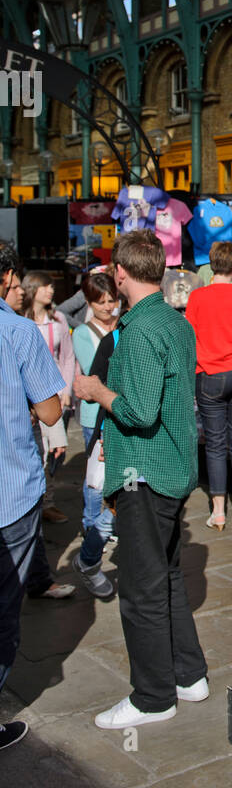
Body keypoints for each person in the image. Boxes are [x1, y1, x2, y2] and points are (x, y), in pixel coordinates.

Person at [74, 230, 208, 730]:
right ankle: (189, 676)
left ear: (121, 273)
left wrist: (96, 390)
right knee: (167, 576)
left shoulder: (141, 330)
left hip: (145, 474)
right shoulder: (175, 322)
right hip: (170, 469)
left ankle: (153, 696)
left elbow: (138, 411)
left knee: (141, 590)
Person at [0, 241, 67, 749]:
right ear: (5, 278)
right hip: (11, 493)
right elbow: (48, 412)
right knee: (4, 609)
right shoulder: (18, 332)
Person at [184, 240, 232, 531]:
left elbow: (190, 338)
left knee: (214, 446)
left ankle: (219, 511)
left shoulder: (197, 297)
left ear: (211, 265)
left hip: (209, 375)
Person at [71, 273, 121, 598]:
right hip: (95, 415)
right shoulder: (83, 333)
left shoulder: (122, 327)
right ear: (89, 304)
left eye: (111, 301)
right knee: (95, 479)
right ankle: (92, 526)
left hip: (116, 411)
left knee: (111, 478)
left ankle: (101, 529)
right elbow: (94, 375)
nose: (108, 308)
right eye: (101, 303)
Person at [22, 271, 76, 522]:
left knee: (56, 450)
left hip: (54, 395)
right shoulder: (21, 321)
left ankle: (48, 501)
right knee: (36, 450)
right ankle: (37, 500)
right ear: (32, 289)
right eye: (45, 287)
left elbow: (67, 357)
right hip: (30, 397)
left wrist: (65, 390)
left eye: (52, 287)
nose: (51, 291)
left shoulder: (58, 320)